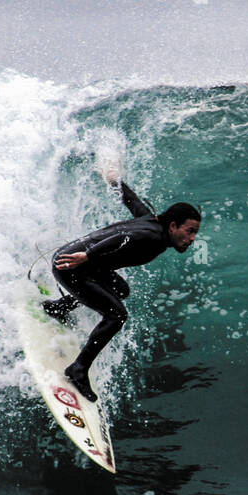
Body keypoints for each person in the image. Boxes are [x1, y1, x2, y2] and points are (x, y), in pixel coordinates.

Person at [43, 170, 201, 401]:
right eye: (190, 231)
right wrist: (87, 256)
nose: (192, 238)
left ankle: (60, 307)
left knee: (120, 290)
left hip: (79, 262)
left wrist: (114, 180)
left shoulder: (150, 221)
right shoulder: (153, 237)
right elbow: (123, 238)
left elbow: (132, 201)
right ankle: (78, 369)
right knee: (116, 316)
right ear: (173, 226)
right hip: (73, 265)